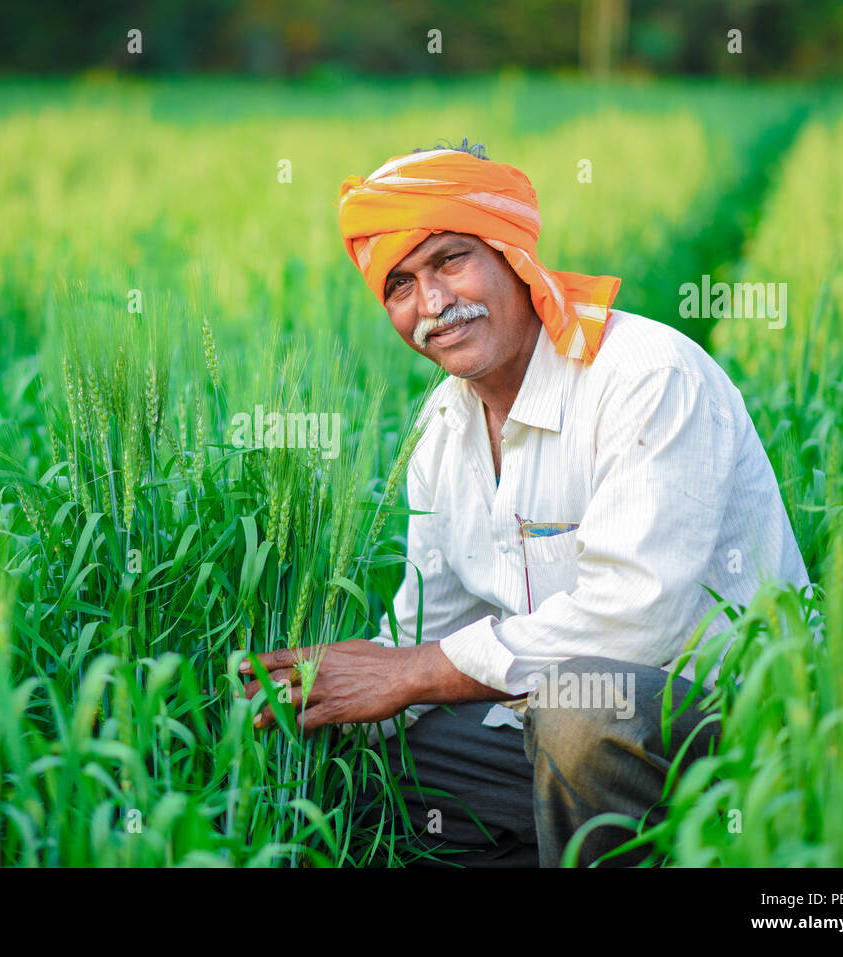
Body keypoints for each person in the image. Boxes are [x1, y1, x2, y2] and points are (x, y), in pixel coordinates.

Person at [239, 139, 810, 866]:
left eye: (450, 259)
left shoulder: (644, 377)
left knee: (580, 706)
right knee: (342, 753)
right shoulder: (441, 431)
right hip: (548, 738)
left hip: (726, 738)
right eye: (401, 285)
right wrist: (328, 685)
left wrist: (408, 672)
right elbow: (435, 624)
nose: (434, 303)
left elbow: (638, 622)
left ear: (513, 252)